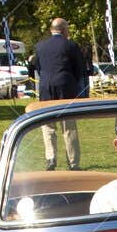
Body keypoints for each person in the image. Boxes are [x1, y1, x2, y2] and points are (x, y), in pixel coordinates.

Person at [29, 17, 89, 170]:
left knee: (47, 125)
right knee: (68, 126)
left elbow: (37, 66)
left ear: (51, 29)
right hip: (65, 86)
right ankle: (73, 162)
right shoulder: (70, 45)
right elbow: (79, 68)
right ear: (64, 30)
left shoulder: (40, 46)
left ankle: (51, 158)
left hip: (45, 87)